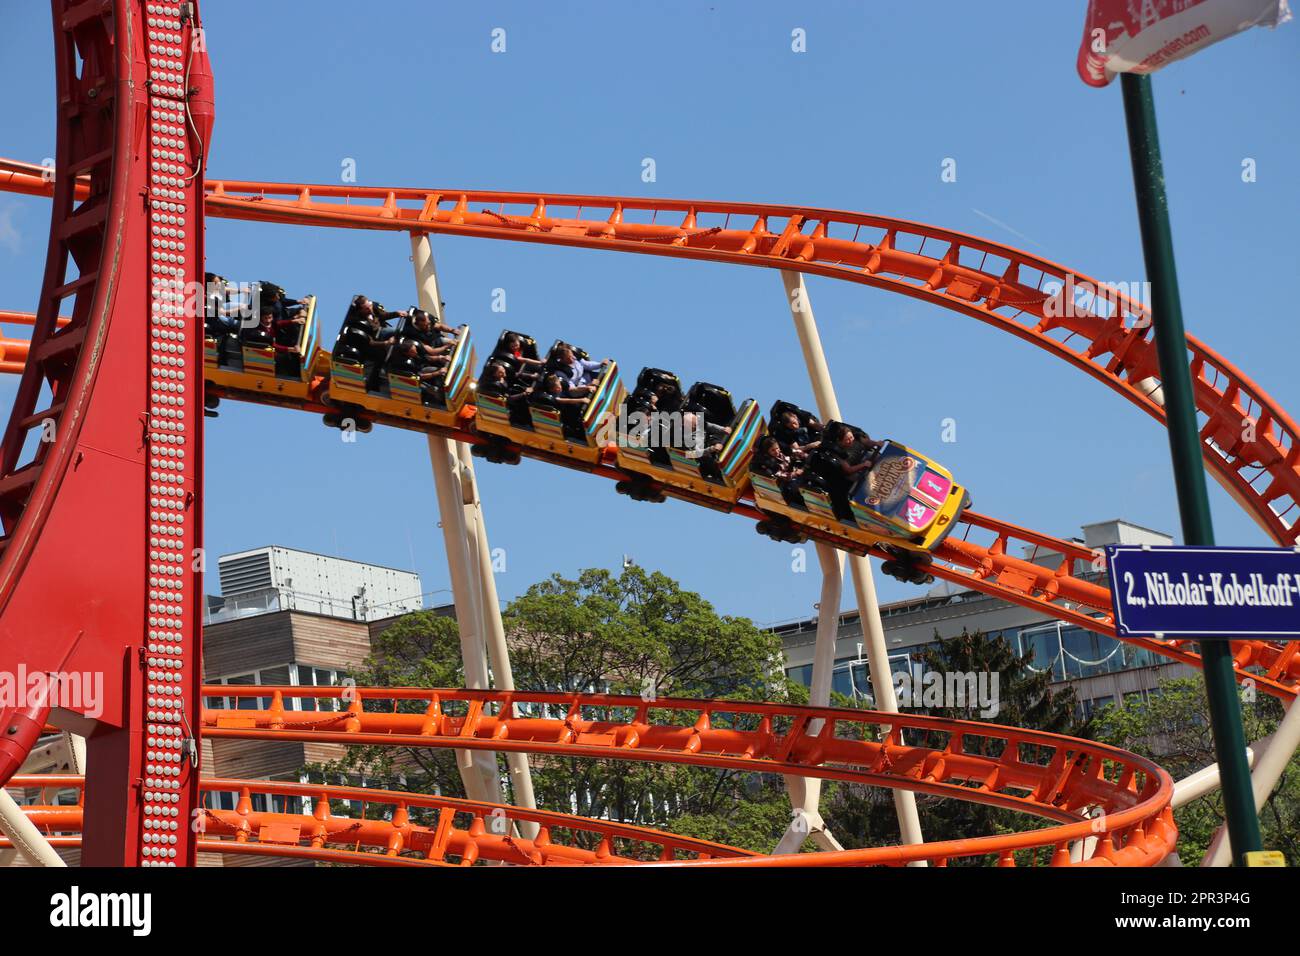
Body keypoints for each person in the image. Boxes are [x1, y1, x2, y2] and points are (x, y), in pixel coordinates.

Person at [531, 373, 590, 441]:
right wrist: (581, 400)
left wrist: (587, 387)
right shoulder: (551, 396)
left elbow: (574, 389)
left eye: (559, 385)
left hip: (573, 407)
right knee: (577, 424)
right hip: (565, 414)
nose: (559, 388)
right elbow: (566, 401)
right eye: (556, 388)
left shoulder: (561, 383)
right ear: (551, 389)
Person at [753, 435, 806, 506]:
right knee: (794, 487)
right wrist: (795, 473)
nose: (776, 451)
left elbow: (795, 452)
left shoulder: (783, 453)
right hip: (786, 485)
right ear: (768, 452)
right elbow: (780, 475)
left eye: (777, 448)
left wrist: (804, 455)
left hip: (798, 475)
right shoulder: (769, 463)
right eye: (773, 450)